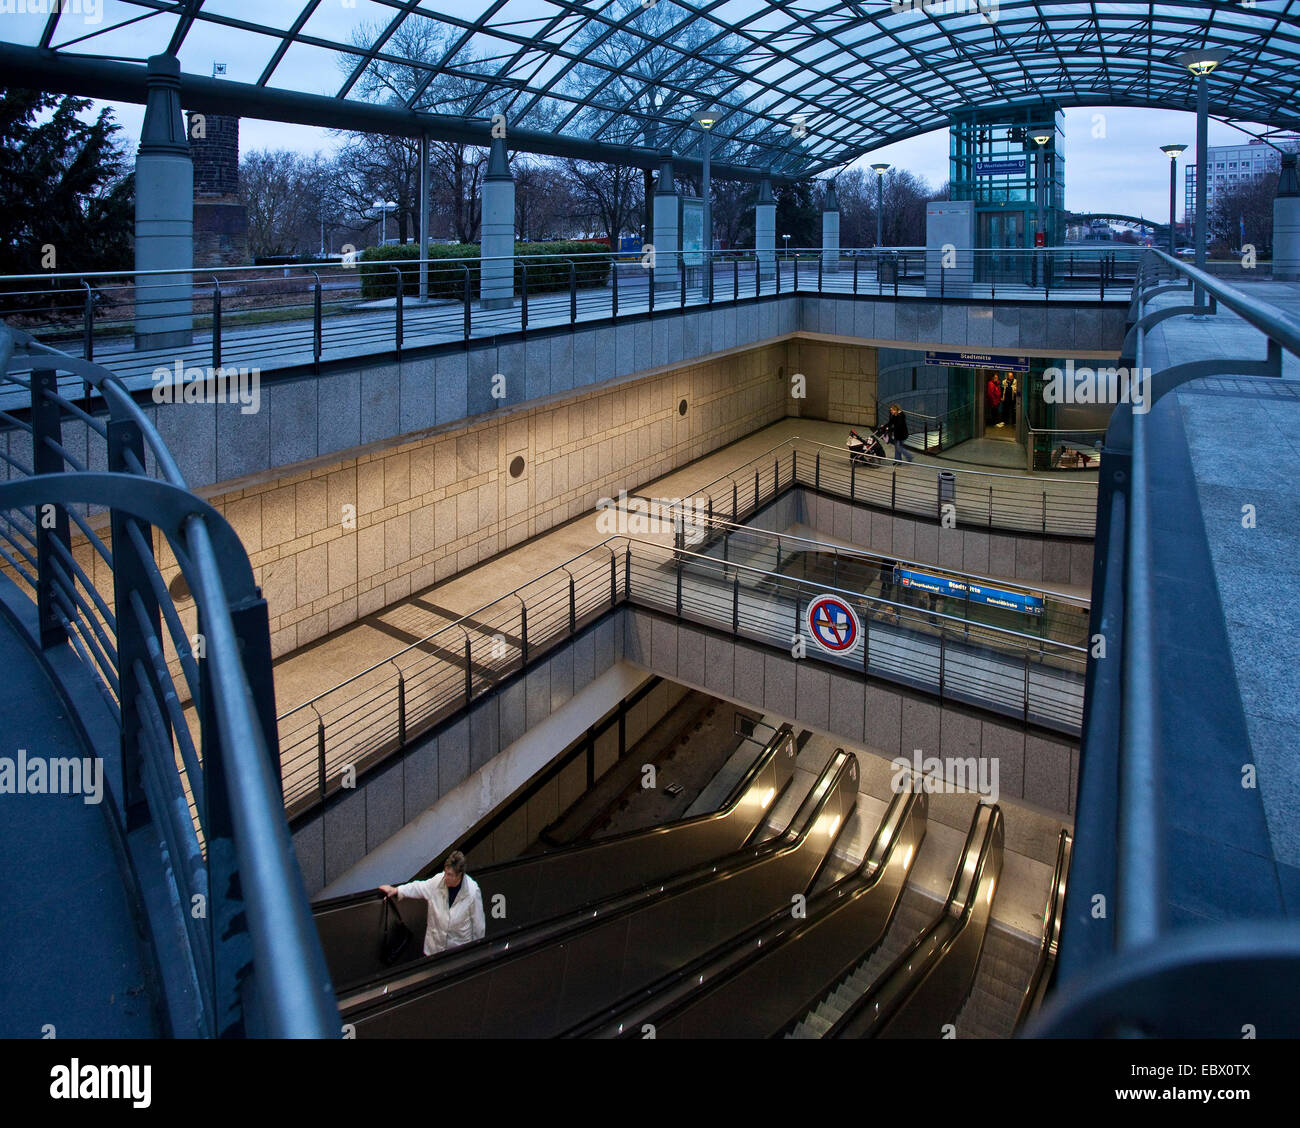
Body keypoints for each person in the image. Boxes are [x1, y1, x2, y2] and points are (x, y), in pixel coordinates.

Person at [379, 850, 485, 958]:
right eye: (445, 872)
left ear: (460, 875)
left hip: (458, 952)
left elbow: (478, 925)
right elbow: (419, 887)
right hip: (434, 950)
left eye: (450, 875)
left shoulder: (472, 891)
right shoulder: (438, 881)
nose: (446, 877)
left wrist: (476, 952)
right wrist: (397, 890)